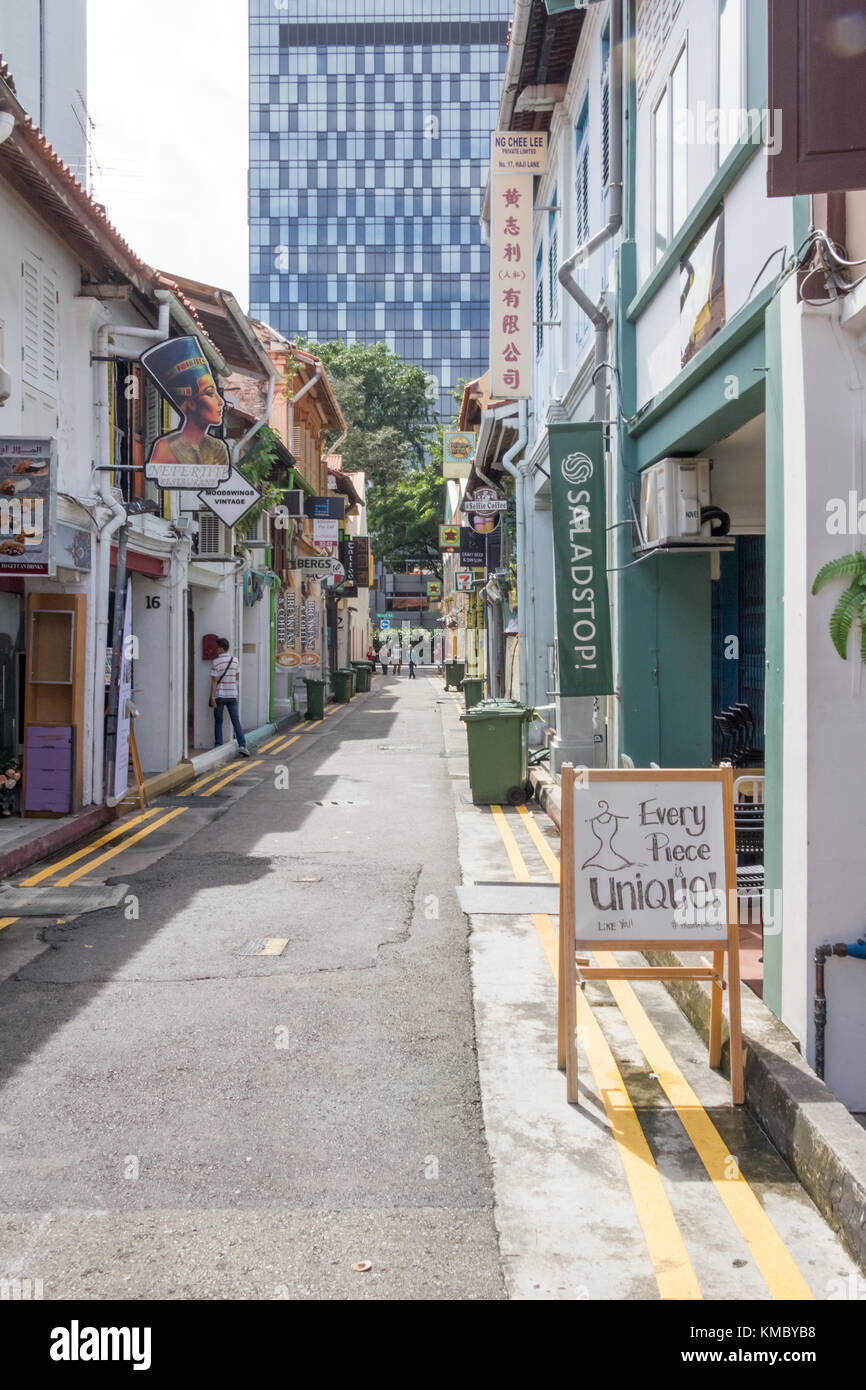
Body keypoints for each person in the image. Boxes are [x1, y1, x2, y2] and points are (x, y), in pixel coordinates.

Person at [209, 637, 250, 755]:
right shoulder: (235, 661)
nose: (216, 650)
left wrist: (212, 697)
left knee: (218, 721)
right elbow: (237, 677)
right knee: (235, 720)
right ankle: (242, 745)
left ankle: (218, 745)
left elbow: (214, 681)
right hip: (232, 695)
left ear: (221, 648)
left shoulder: (216, 662)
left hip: (220, 695)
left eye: (217, 647)